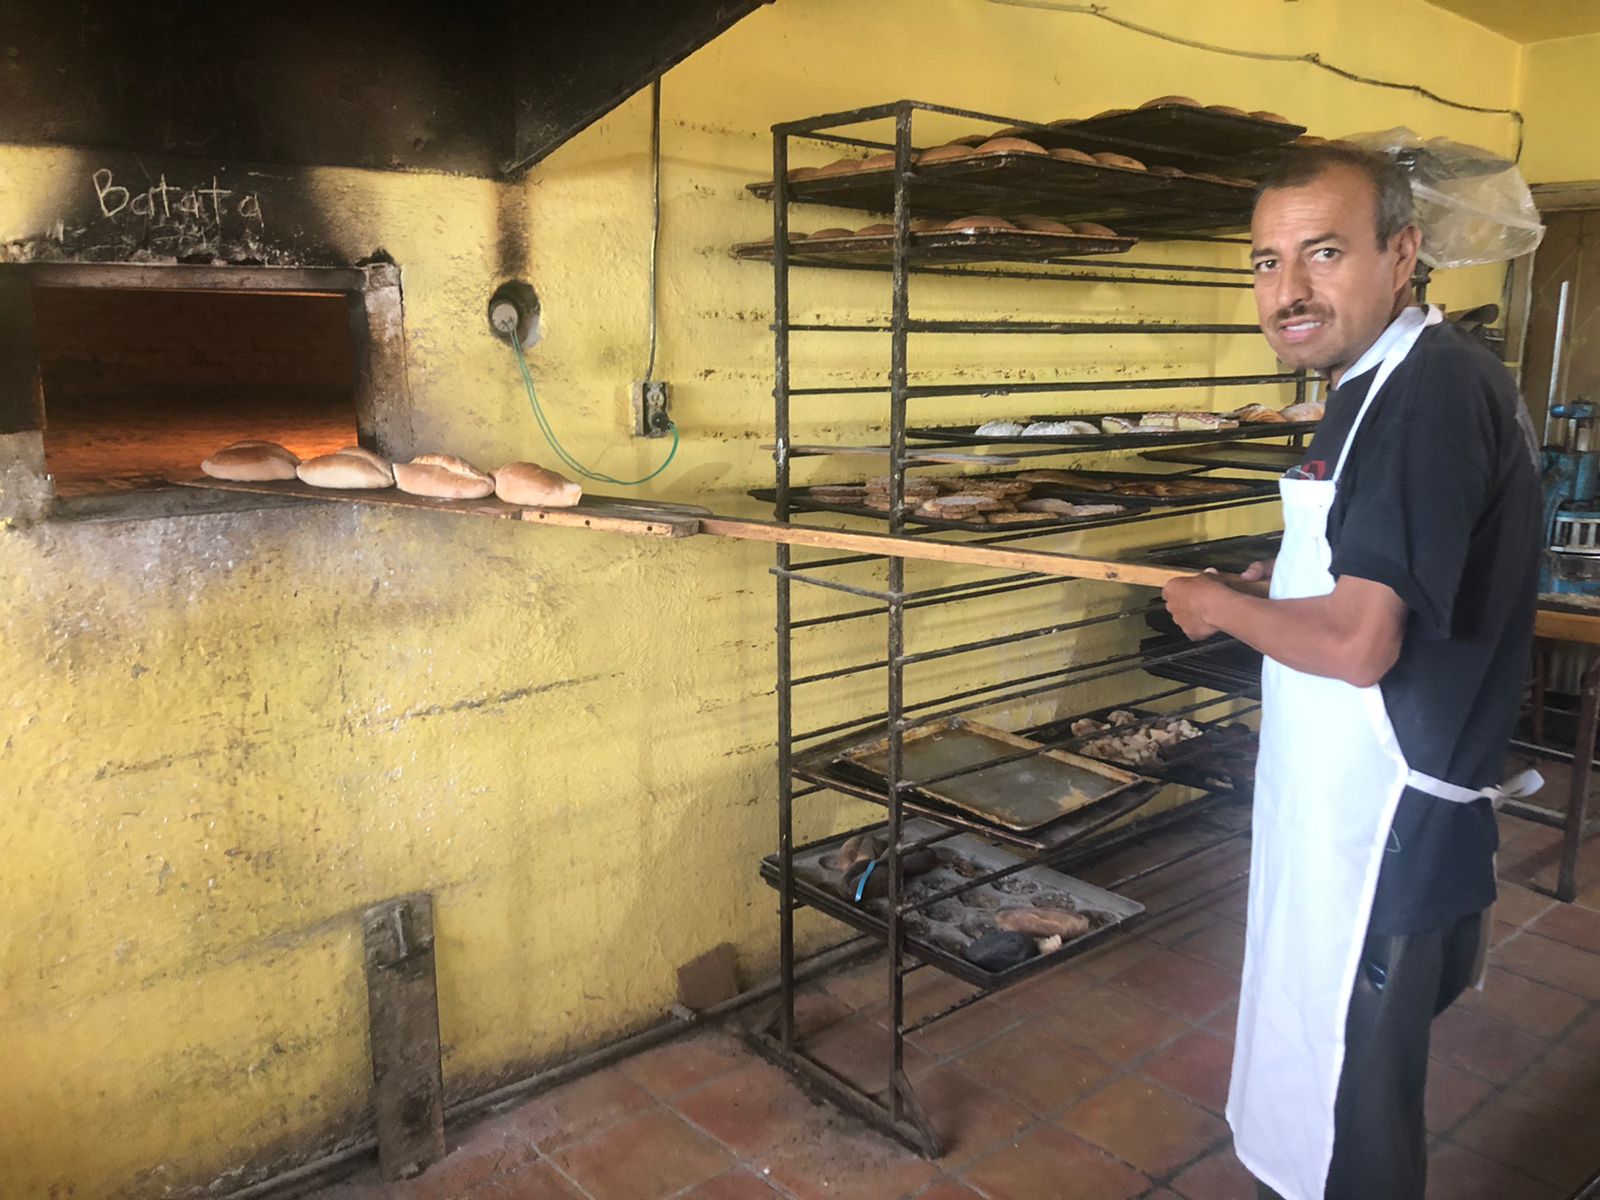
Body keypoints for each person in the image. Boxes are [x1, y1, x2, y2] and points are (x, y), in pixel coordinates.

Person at [1161, 146, 1543, 1200]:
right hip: (1348, 813)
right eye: (1265, 262)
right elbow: (1377, 569)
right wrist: (1276, 576)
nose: (1288, 290)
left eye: (1323, 253)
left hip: (1381, 828)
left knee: (1353, 1114)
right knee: (1336, 1077)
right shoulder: (1379, 382)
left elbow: (1362, 643)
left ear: (1401, 253)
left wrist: (1219, 608)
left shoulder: (1424, 394)